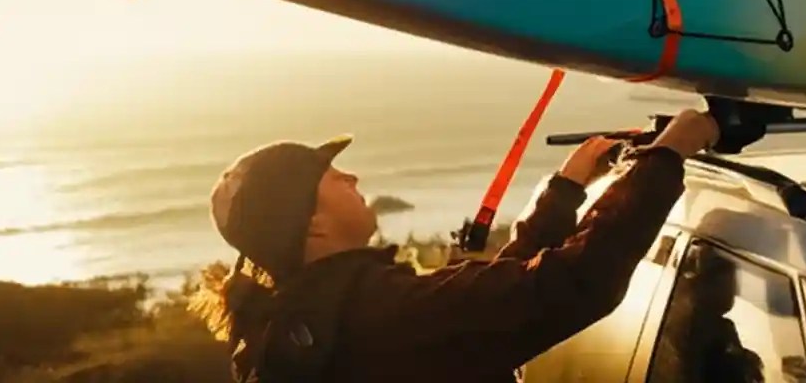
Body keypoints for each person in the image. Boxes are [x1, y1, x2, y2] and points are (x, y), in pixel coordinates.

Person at [191, 108, 720, 383]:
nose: (350, 176)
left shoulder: (302, 323)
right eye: (331, 177)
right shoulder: (385, 312)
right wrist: (666, 155)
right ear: (311, 225)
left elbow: (490, 305)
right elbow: (572, 285)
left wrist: (565, 189)